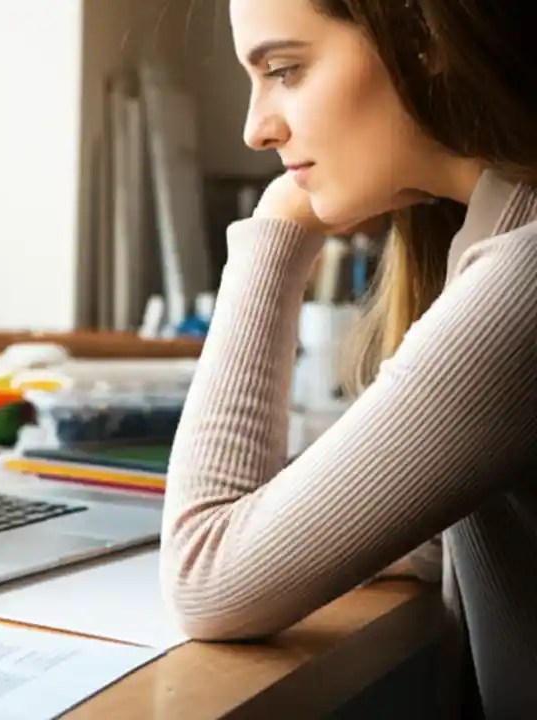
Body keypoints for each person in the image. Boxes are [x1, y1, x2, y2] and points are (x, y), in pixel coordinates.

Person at [160, 0, 537, 715]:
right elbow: (435, 535)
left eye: (284, 70)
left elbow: (208, 578)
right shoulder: (490, 234)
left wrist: (277, 227)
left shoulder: (524, 279)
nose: (256, 128)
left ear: (424, 35)